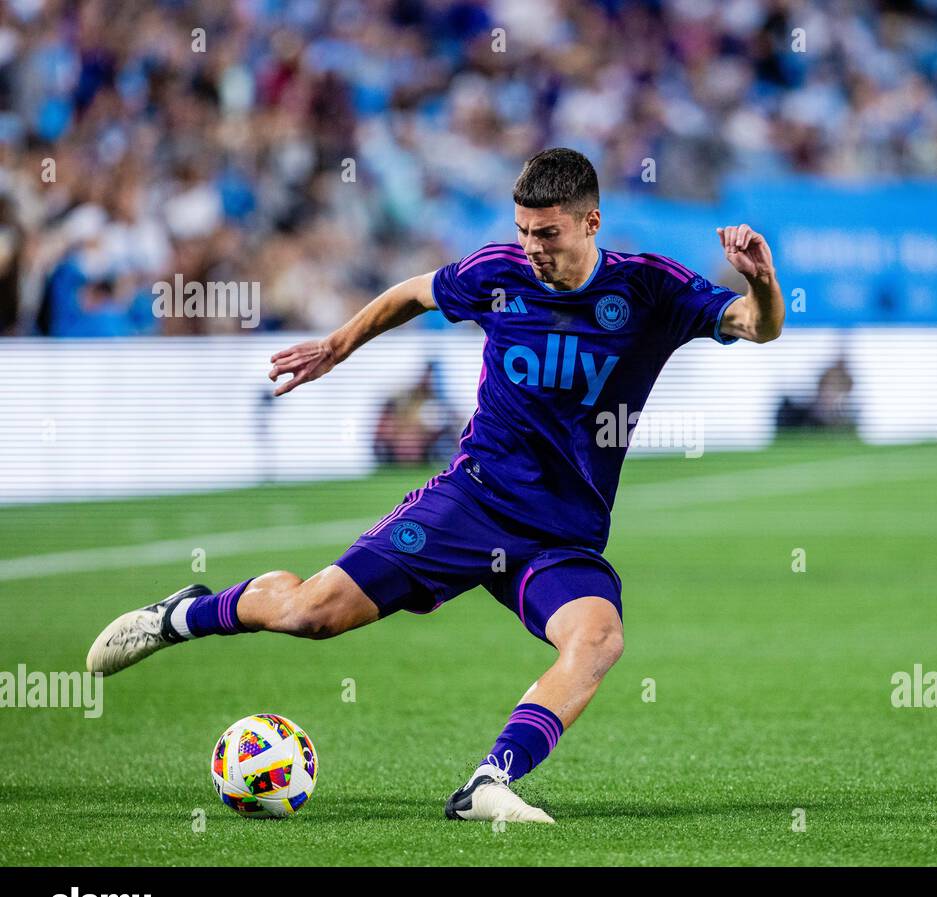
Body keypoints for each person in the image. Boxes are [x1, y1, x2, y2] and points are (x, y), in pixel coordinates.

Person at [86, 147, 785, 823]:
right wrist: (338, 344)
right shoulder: (497, 272)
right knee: (311, 615)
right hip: (472, 503)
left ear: (591, 222)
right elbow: (411, 293)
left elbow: (758, 327)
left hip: (563, 533)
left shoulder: (648, 287)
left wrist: (761, 279)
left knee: (599, 637)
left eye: (547, 232)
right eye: (522, 230)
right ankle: (181, 614)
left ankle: (488, 781)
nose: (533, 246)